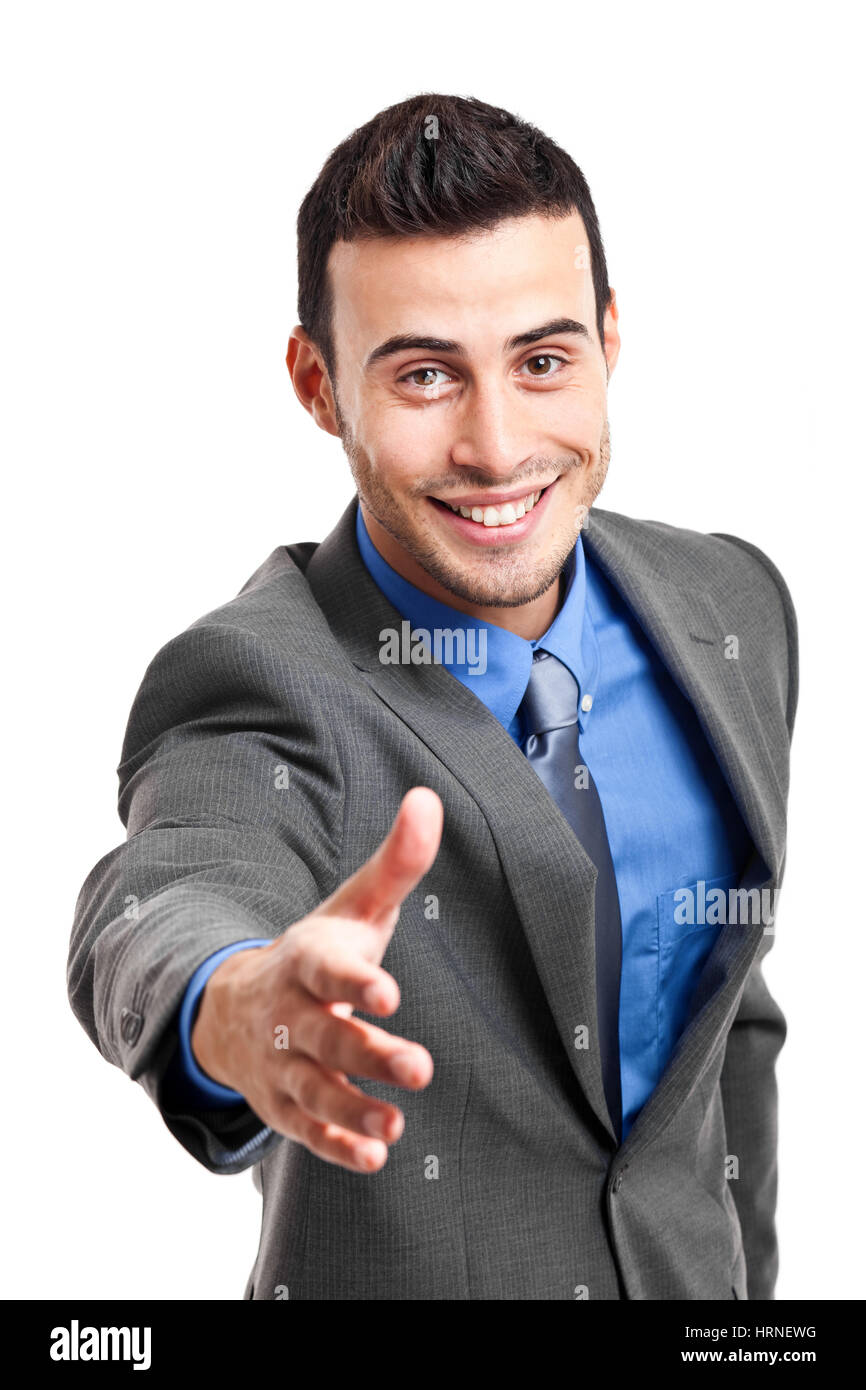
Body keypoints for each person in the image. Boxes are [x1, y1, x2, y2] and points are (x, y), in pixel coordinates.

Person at [68, 93, 797, 1301]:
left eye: (543, 359)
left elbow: (728, 1027)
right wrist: (235, 1002)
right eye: (422, 376)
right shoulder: (262, 679)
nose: (496, 444)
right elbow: (173, 887)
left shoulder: (729, 603)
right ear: (317, 384)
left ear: (610, 340)